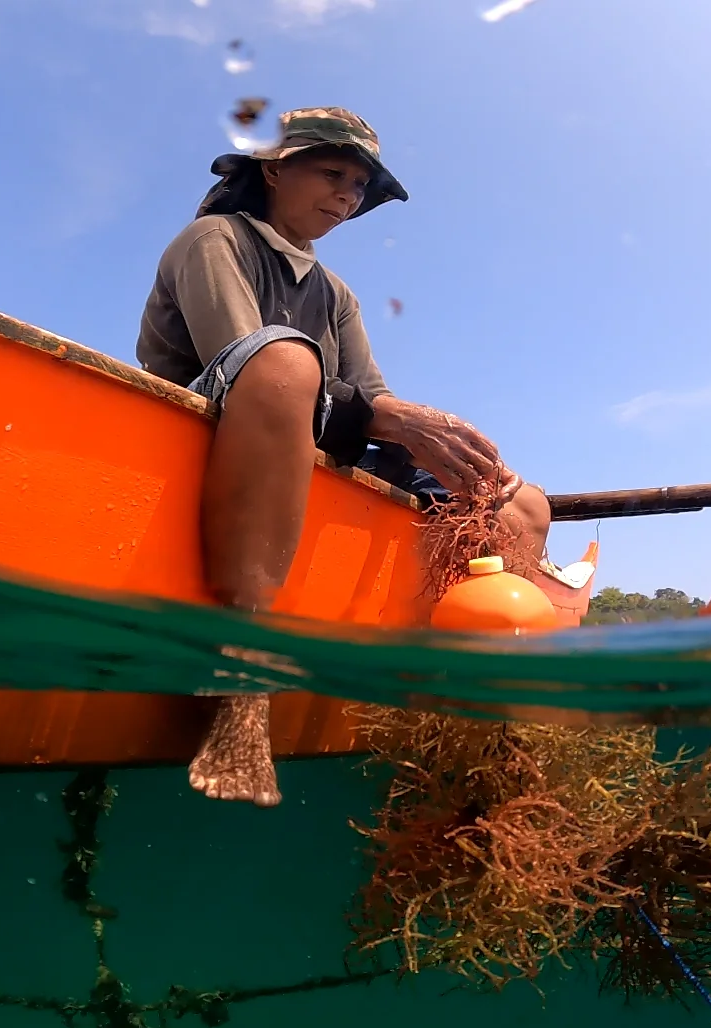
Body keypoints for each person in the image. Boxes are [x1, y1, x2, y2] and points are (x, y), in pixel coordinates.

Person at [136, 106, 552, 808]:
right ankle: (240, 658)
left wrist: (447, 457)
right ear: (273, 169)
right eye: (333, 174)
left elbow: (374, 403)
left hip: (314, 437)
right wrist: (384, 416)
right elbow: (245, 366)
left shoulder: (338, 295)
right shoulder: (214, 239)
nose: (347, 197)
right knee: (284, 361)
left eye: (359, 188)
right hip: (209, 428)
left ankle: (471, 718)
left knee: (521, 502)